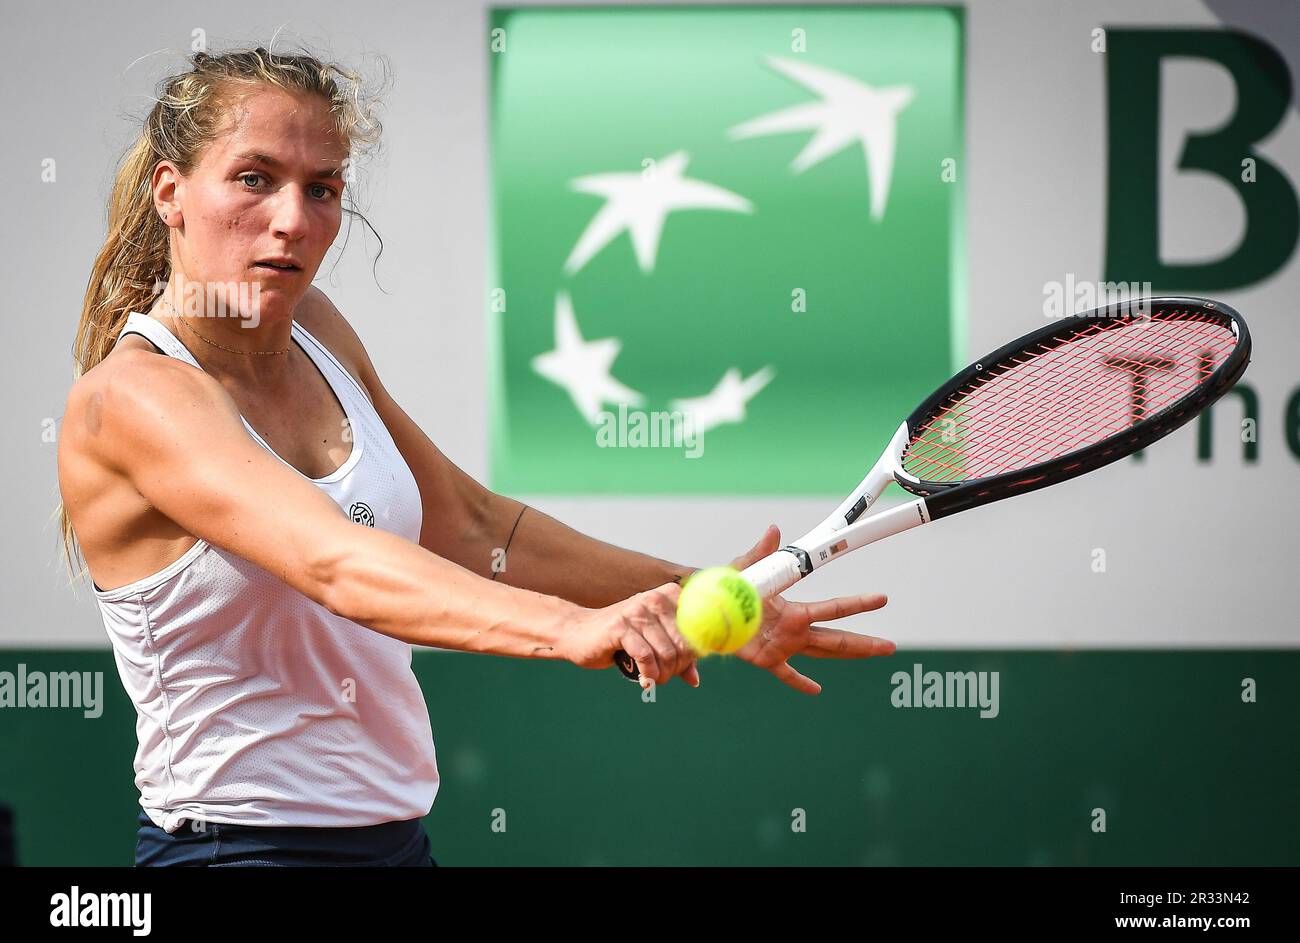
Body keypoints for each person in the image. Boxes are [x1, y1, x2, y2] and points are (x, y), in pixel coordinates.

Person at [56, 47, 895, 867]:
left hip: (395, 842)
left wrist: (694, 594)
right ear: (171, 191)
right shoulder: (131, 399)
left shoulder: (318, 328)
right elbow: (336, 562)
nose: (292, 219)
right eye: (254, 178)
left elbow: (470, 524)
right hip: (235, 851)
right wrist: (575, 629)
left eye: (323, 189)